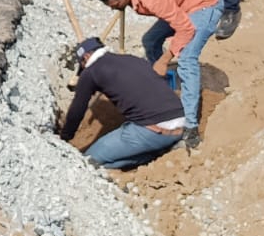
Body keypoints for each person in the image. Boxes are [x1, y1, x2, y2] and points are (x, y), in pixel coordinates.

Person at [95, 0, 223, 148]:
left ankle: (190, 129)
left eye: (116, 4)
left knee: (186, 58)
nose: (113, 9)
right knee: (150, 40)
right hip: (179, 3)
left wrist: (164, 60)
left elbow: (186, 28)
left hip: (203, 2)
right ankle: (167, 94)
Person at [60, 37, 185, 168]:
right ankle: (161, 151)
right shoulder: (133, 59)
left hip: (153, 131)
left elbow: (77, 110)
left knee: (88, 161)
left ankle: (152, 154)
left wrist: (65, 137)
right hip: (181, 124)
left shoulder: (91, 71)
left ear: (86, 57)